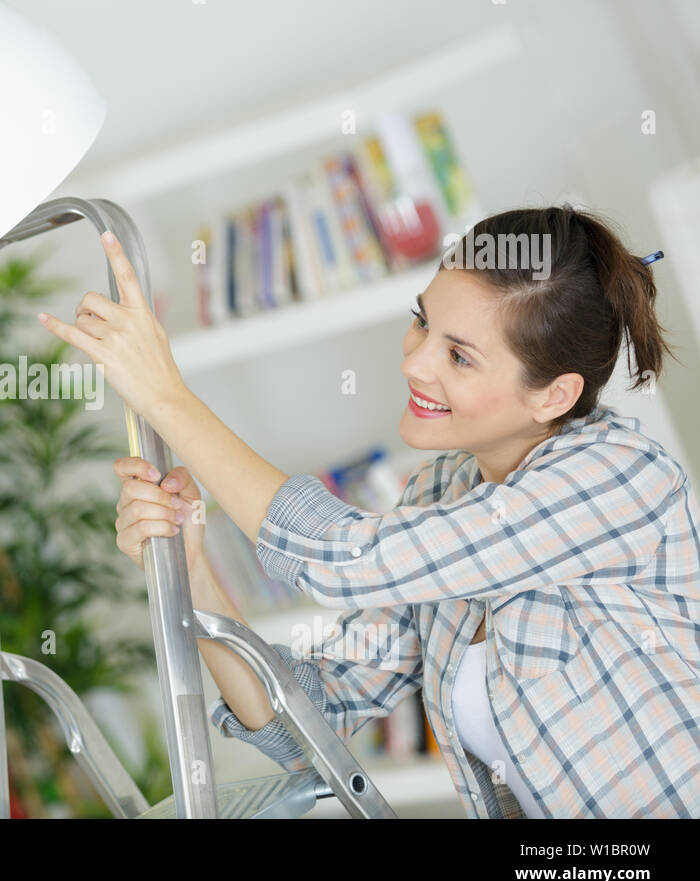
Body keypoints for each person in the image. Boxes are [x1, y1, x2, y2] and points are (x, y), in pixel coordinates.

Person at [39, 206, 700, 818]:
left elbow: (347, 559)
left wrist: (166, 399)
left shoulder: (617, 477)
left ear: (554, 395)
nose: (414, 362)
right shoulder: (438, 493)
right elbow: (309, 727)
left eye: (459, 355)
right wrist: (195, 572)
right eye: (422, 322)